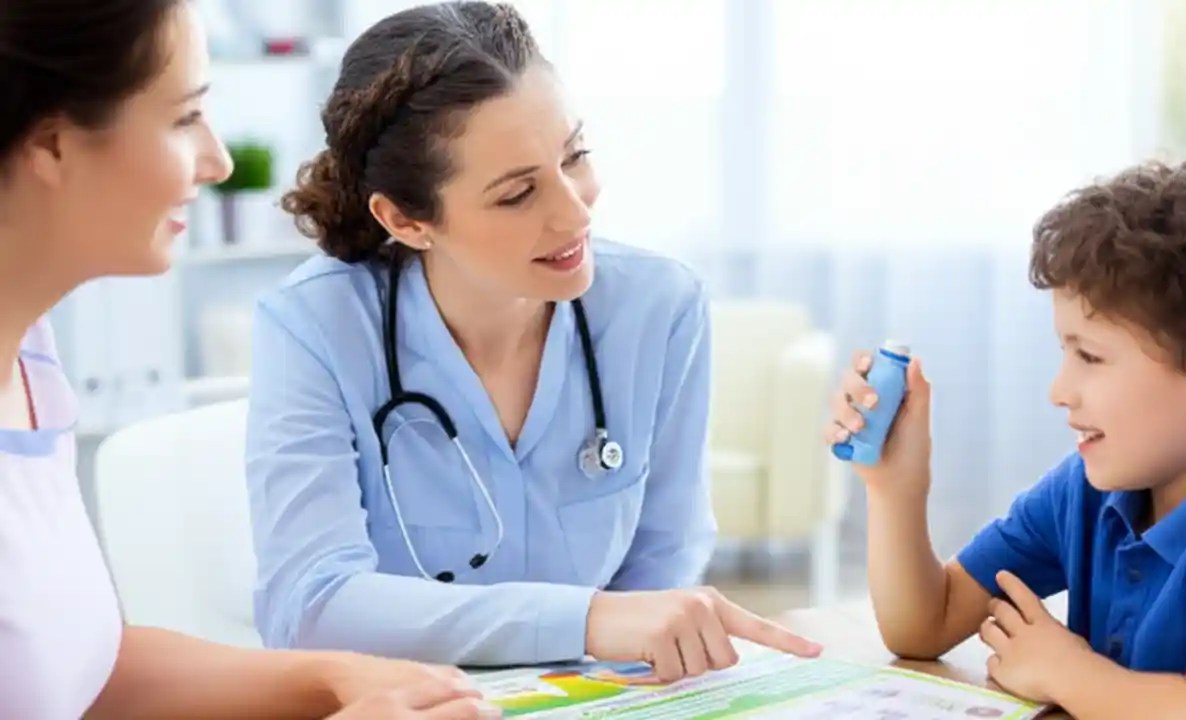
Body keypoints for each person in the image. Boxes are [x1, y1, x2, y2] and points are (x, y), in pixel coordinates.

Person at [245, 0, 822, 682]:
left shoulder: (658, 308)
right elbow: (309, 605)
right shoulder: (316, 326)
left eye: (574, 155)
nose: (575, 212)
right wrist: (586, 620)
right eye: (518, 193)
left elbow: (664, 556)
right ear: (405, 219)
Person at [0, 1, 499, 717]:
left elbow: (80, 669)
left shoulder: (29, 360)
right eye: (183, 118)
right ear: (52, 142)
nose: (219, 159)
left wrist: (334, 679)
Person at [825, 156, 1186, 718]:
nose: (1059, 390)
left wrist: (1069, 671)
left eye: (1090, 355)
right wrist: (895, 488)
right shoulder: (1088, 491)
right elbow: (926, 623)